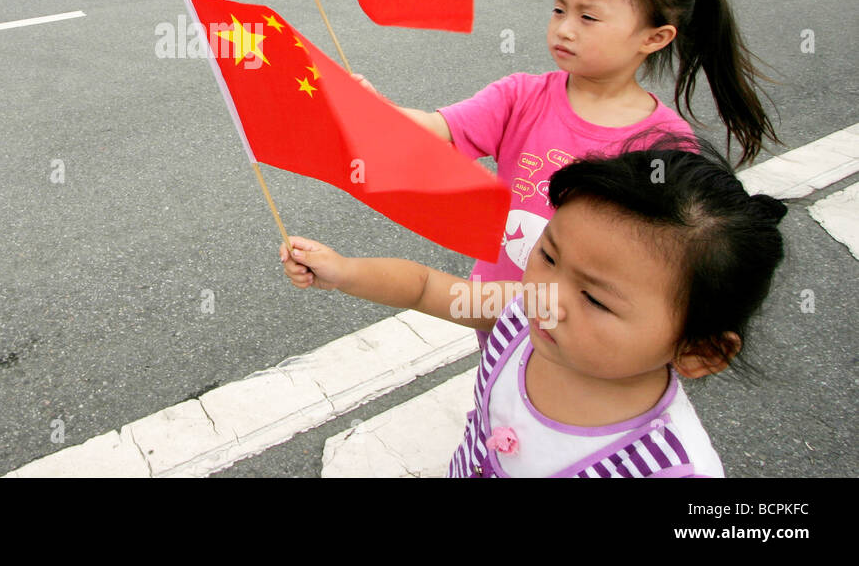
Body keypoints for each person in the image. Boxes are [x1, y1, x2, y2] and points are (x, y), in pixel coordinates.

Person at [280, 144, 787, 477]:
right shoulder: (524, 312)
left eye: (594, 298)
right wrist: (343, 271)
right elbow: (425, 287)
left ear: (701, 351)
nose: (549, 295)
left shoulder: (667, 468)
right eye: (547, 255)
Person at [352, 0, 779, 287]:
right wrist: (370, 109)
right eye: (559, 10)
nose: (565, 29)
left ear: (655, 38)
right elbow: (437, 129)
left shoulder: (667, 147)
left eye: (587, 17)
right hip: (494, 307)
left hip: (579, 334)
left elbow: (663, 257)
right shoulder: (520, 96)